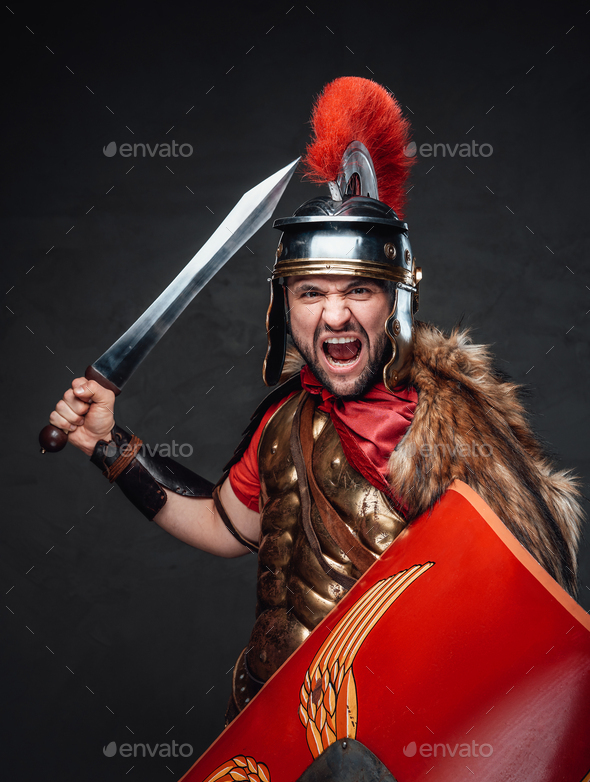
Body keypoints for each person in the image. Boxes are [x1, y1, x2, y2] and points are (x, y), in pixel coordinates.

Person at [48, 77, 583, 723]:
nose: (334, 315)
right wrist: (106, 444)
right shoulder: (285, 421)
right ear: (285, 309)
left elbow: (526, 615)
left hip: (402, 740)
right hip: (272, 728)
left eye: (358, 289)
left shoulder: (445, 430)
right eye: (311, 293)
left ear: (395, 303)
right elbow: (223, 526)